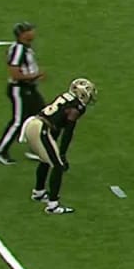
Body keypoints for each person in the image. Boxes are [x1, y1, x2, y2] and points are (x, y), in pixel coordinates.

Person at [21, 78, 96, 215]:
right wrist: (63, 154)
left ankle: (39, 192)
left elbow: (56, 125)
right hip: (41, 128)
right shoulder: (77, 107)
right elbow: (68, 131)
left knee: (46, 160)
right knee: (57, 165)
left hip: (33, 124)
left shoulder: (65, 97)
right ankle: (53, 205)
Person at [0, 22, 47, 166]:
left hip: (29, 89)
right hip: (20, 89)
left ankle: (34, 148)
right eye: (29, 30)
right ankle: (0, 151)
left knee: (41, 117)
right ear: (22, 34)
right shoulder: (19, 50)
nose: (33, 32)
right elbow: (14, 73)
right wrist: (34, 76)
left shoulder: (25, 48)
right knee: (18, 121)